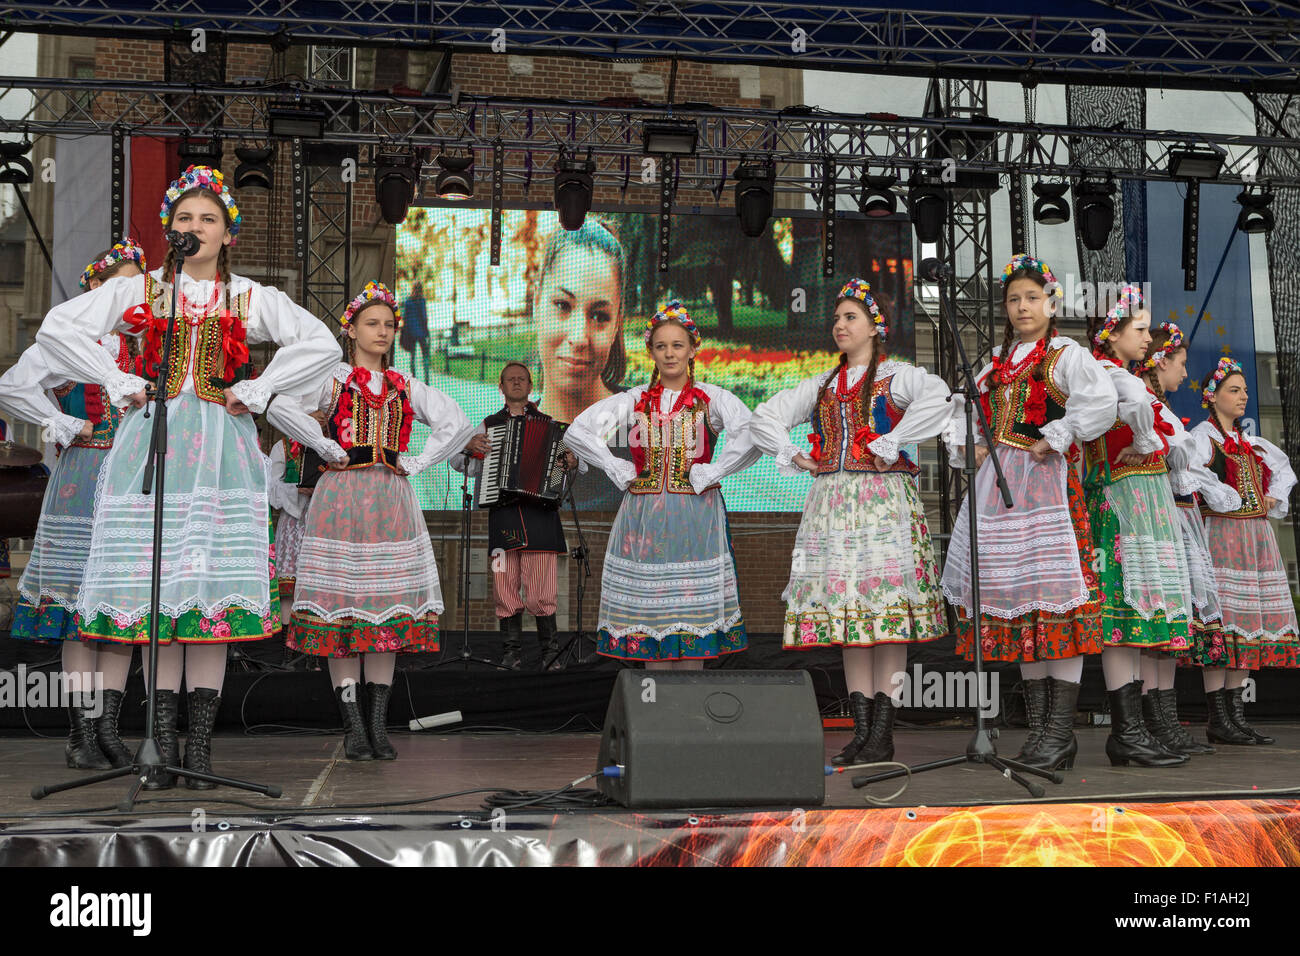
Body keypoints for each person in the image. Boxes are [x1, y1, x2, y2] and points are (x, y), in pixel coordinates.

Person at [33, 165, 340, 789]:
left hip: (221, 454)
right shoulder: (140, 289)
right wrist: (116, 378)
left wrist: (257, 386)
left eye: (208, 219)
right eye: (184, 219)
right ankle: (161, 744)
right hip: (150, 446)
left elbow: (319, 342)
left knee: (207, 598)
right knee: (157, 593)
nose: (195, 227)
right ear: (171, 229)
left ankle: (198, 752)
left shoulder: (248, 297)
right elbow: (57, 328)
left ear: (229, 234)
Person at [748, 279, 952, 765]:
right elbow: (764, 416)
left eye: (851, 317)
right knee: (850, 618)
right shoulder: (821, 385)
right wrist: (795, 453)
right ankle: (862, 731)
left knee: (887, 620)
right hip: (832, 505)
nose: (840, 325)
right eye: (837, 319)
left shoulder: (898, 376)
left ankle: (884, 729)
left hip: (883, 503)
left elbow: (941, 399)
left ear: (874, 327)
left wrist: (893, 439)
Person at [270, 282, 474, 760]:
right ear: (352, 330)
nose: (382, 332)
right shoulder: (332, 380)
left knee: (385, 612)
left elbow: (457, 423)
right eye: (372, 324)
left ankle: (378, 726)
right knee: (341, 611)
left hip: (391, 502)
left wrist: (420, 463)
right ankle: (353, 727)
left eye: (388, 325)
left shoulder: (405, 385)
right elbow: (277, 404)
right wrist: (323, 446)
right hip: (340, 500)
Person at [941, 253, 1117, 772]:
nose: (1022, 306)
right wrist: (969, 445)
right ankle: (1042, 732)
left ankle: (1059, 733)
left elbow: (1101, 402)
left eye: (1031, 298)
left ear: (1050, 302)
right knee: (1021, 606)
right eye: (1014, 299)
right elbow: (959, 410)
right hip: (998, 495)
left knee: (1054, 606)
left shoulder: (1065, 354)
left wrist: (1056, 435)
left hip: (1046, 494)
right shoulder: (994, 362)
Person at [0, 241, 146, 768]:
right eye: (117, 285)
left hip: (135, 481)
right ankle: (82, 731)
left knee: (117, 605)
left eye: (135, 286)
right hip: (83, 476)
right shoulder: (70, 340)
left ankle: (108, 728)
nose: (126, 296)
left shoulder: (146, 343)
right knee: (79, 609)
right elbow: (12, 386)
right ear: (93, 288)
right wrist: (63, 422)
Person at [565, 301, 760, 667]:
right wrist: (612, 464)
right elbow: (578, 431)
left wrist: (714, 471)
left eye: (677, 345)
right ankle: (656, 715)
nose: (669, 353)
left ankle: (685, 714)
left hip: (695, 517)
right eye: (661, 346)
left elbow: (751, 435)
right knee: (652, 621)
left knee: (691, 624)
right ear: (651, 351)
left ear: (692, 348)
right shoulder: (634, 399)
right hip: (644, 518)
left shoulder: (712, 399)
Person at [1085, 287, 1193, 768]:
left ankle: (1135, 732)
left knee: (1137, 619)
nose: (1149, 339)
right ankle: (1127, 732)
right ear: (1113, 335)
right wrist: (1150, 440)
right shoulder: (1105, 375)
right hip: (1121, 496)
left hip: (1146, 498)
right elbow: (1153, 427)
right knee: (1123, 613)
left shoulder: (1130, 380)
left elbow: (1179, 441)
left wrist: (1153, 442)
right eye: (1141, 329)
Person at [1188, 358, 1299, 744]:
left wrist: (1272, 496)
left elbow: (1284, 470)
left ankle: (1234, 717)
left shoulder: (1250, 442)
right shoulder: (1203, 437)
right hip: (1222, 535)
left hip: (1256, 537)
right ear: (1212, 396)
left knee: (1247, 629)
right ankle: (1217, 718)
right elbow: (1192, 473)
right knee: (1223, 628)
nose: (1243, 397)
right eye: (1234, 390)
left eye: (1245, 391)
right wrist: (1222, 496)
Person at [1135, 321, 1233, 756]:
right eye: (1180, 364)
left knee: (1171, 623)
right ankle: (1149, 721)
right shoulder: (1143, 402)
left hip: (1174, 516)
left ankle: (1164, 719)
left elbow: (1183, 463)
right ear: (1161, 362)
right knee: (1153, 618)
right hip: (1152, 515)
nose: (1183, 373)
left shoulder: (1161, 407)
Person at [450, 361, 583, 670]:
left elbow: (578, 464)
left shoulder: (552, 425)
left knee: (542, 592)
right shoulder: (487, 425)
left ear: (530, 386)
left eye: (522, 379)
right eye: (510, 379)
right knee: (504, 588)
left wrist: (572, 461)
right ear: (501, 387)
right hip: (502, 520)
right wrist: (472, 449)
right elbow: (460, 464)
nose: (516, 383)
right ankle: (512, 652)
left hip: (542, 518)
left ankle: (550, 652)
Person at [400, 280, 431, 382]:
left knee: (413, 356)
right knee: (425, 355)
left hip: (411, 333)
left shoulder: (408, 301)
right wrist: (427, 332)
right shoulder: (421, 300)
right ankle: (427, 380)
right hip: (421, 332)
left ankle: (414, 379)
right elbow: (424, 316)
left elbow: (404, 317)